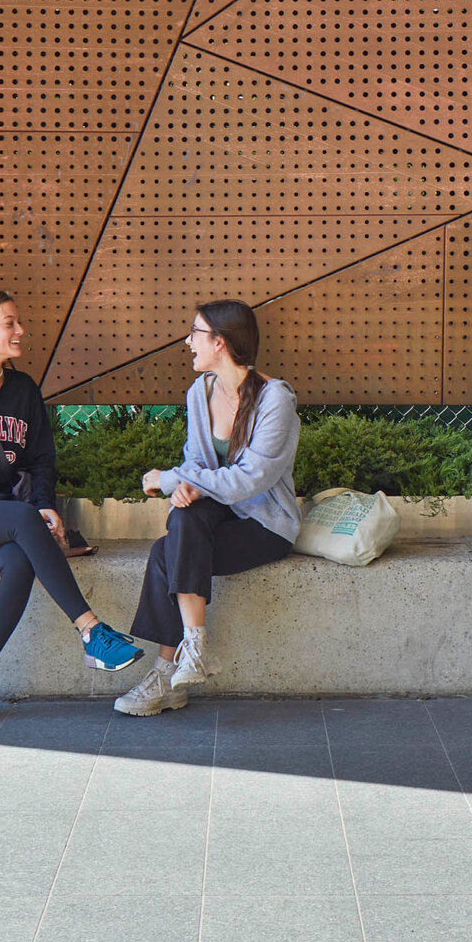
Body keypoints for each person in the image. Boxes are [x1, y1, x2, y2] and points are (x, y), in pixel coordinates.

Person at [0, 289, 142, 725]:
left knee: (20, 563)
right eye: (9, 323)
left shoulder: (23, 390)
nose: (20, 331)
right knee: (20, 522)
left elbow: (41, 460)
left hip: (7, 520)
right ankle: (92, 631)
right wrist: (25, 513)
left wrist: (42, 505)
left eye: (19, 322)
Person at [114, 299, 299, 717]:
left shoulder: (275, 399)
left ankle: (169, 672)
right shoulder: (200, 392)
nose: (187, 341)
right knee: (182, 519)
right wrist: (185, 486)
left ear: (220, 342)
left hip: (265, 524)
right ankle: (191, 653)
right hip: (216, 513)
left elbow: (251, 479)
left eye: (195, 333)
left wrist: (173, 481)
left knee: (167, 551)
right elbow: (196, 461)